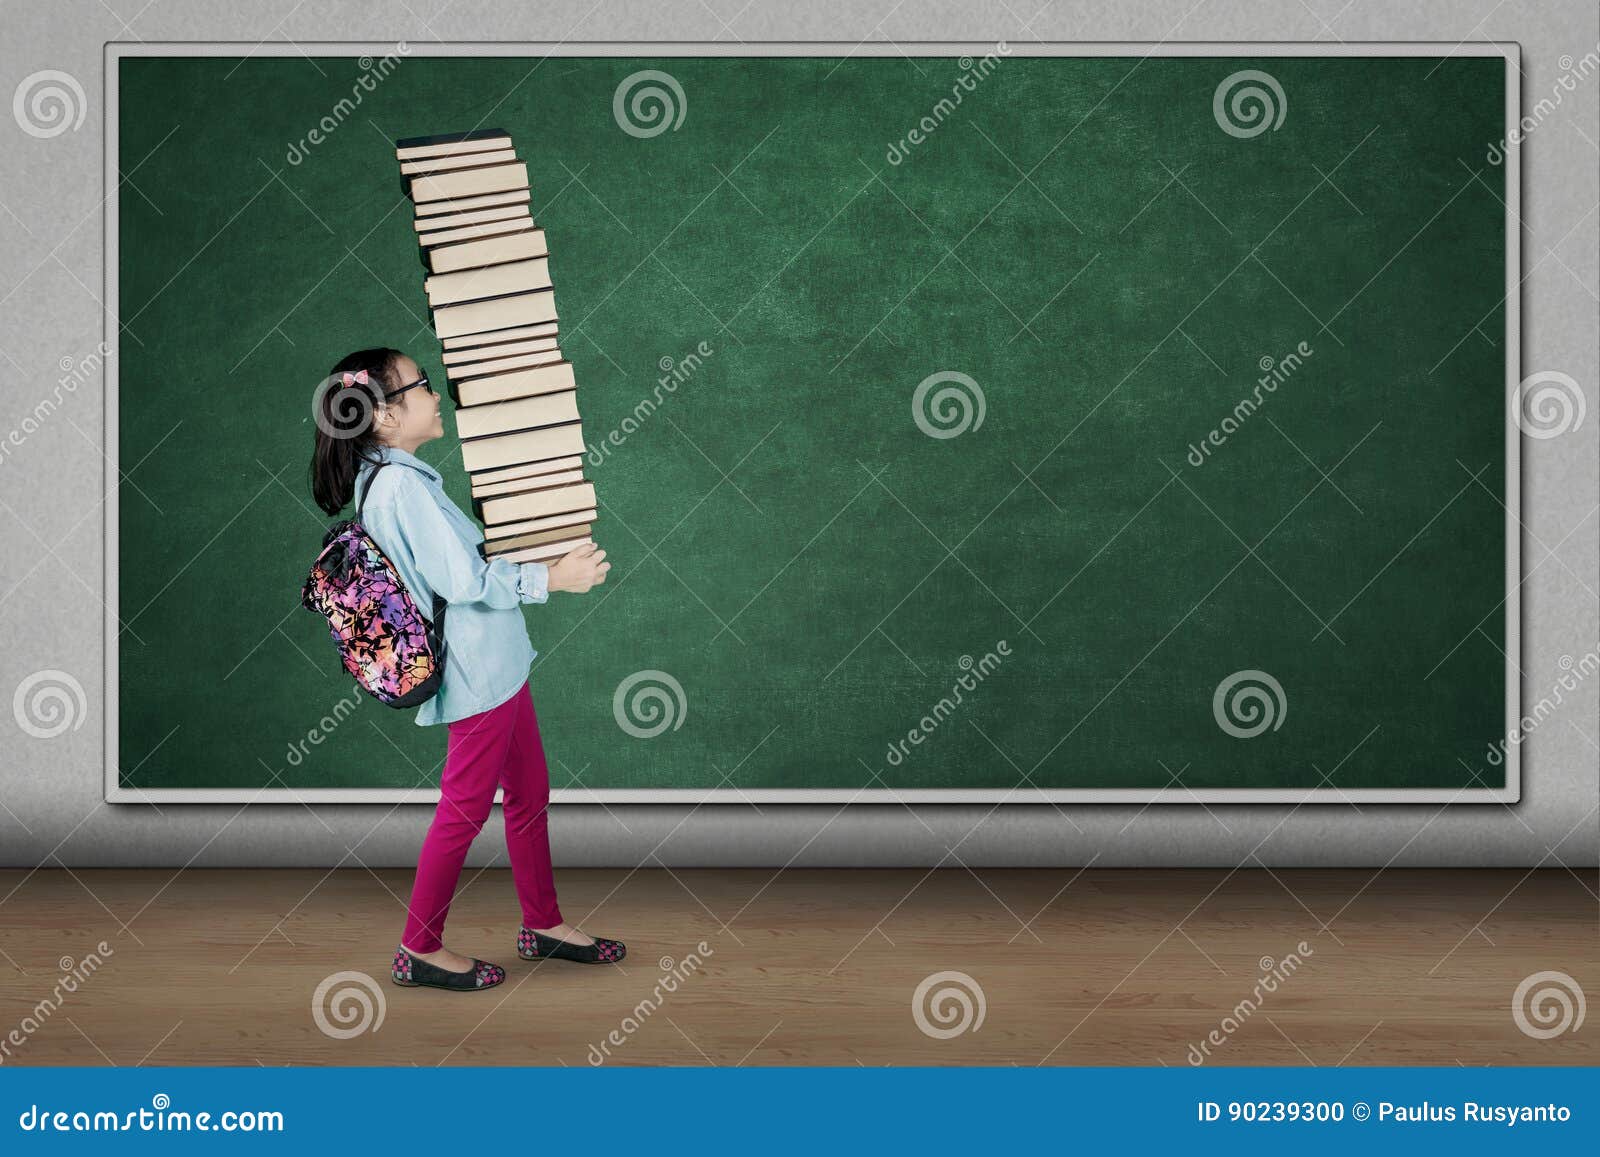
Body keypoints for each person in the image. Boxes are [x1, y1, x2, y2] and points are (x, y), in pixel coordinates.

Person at [309, 347, 623, 992]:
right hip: (477, 671)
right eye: (422, 385)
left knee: (528, 794)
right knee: (464, 810)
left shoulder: (398, 476)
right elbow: (464, 579)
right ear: (386, 417)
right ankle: (419, 948)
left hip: (498, 663)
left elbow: (463, 559)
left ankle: (543, 924)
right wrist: (552, 579)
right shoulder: (398, 486)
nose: (437, 393)